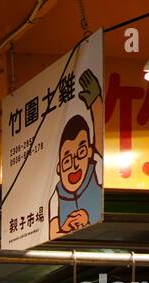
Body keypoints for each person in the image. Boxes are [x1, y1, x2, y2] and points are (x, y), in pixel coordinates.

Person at [48, 69, 103, 239]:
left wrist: (96, 103)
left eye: (80, 153)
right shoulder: (55, 196)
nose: (73, 165)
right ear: (59, 167)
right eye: (66, 160)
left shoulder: (97, 172)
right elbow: (52, 231)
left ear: (88, 152)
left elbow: (99, 143)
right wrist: (65, 227)